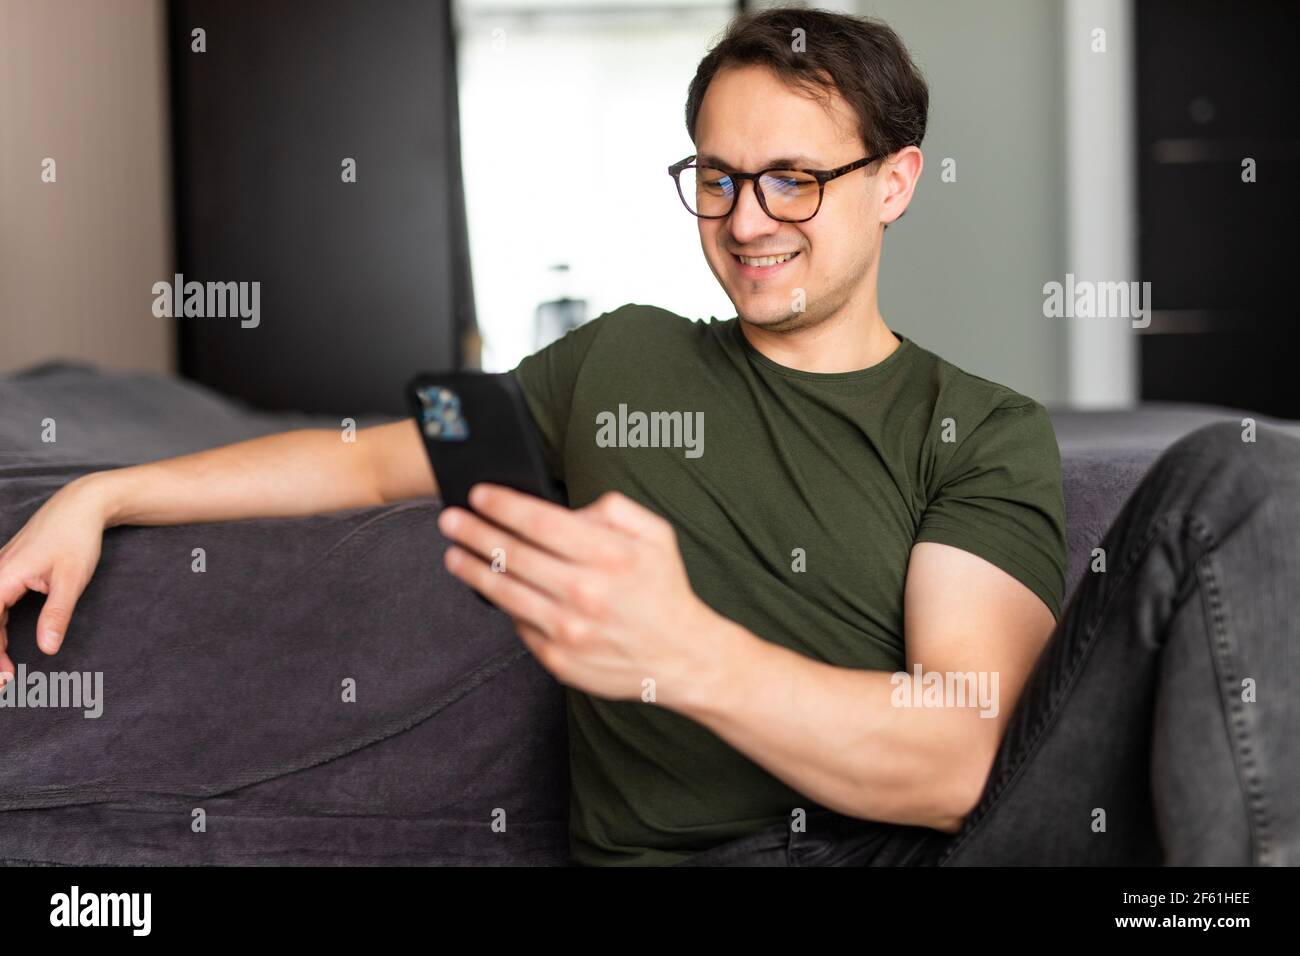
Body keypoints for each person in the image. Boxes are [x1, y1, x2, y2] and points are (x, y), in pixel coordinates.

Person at [1, 7, 1295, 867]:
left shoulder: (975, 426)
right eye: (717, 178)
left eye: (796, 177)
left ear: (894, 182)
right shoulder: (617, 359)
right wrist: (105, 493)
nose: (747, 220)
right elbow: (358, 458)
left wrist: (684, 652)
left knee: (1241, 473)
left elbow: (963, 759)